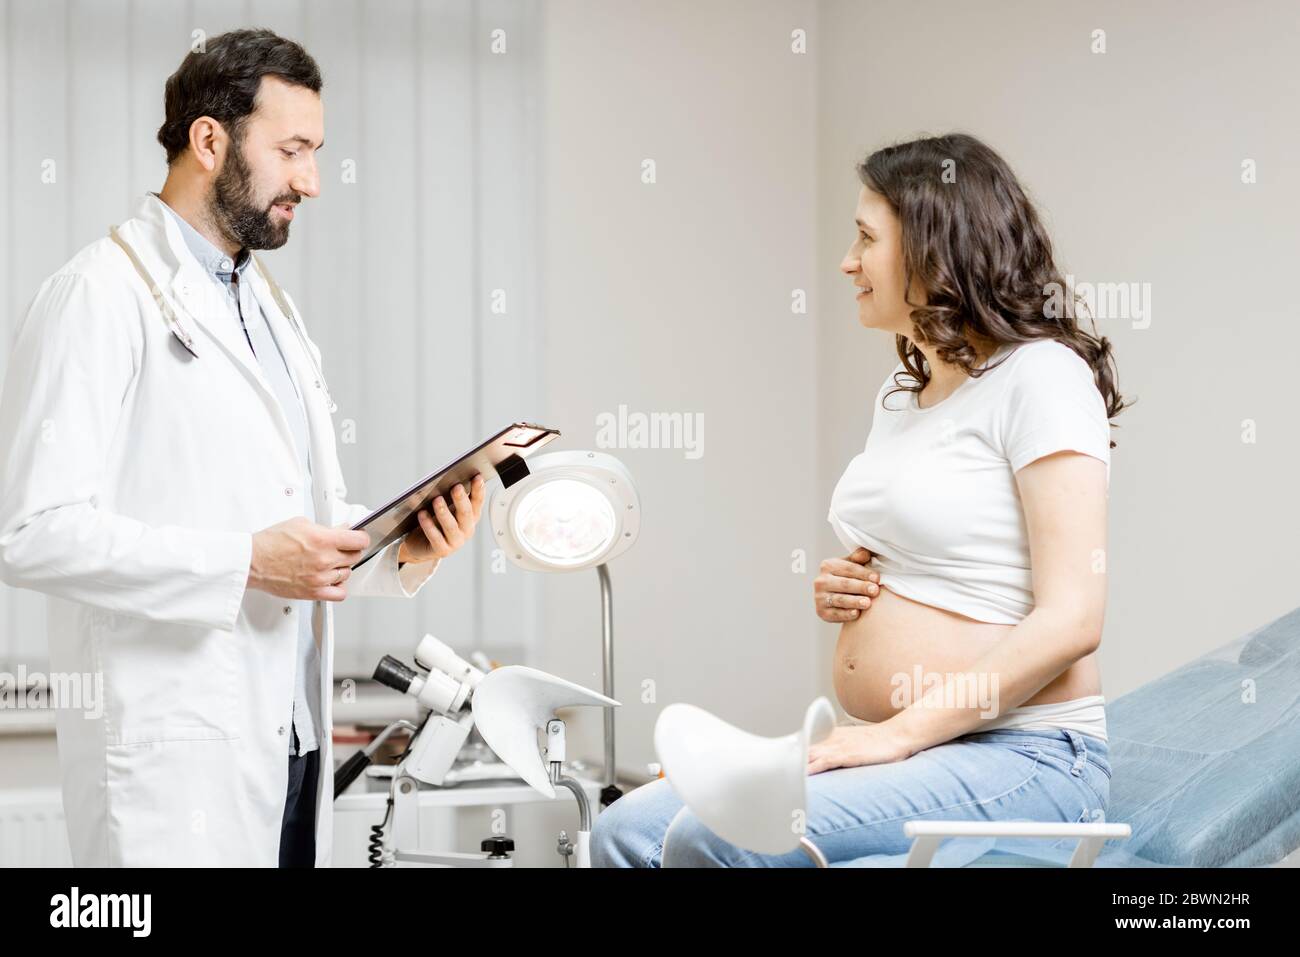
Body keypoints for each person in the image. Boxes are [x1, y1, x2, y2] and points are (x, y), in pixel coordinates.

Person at [0, 28, 483, 867]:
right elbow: (32, 530)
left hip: (289, 742)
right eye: (292, 149)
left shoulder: (270, 311)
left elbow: (300, 529)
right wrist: (245, 563)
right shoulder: (98, 296)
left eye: (318, 151)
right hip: (174, 754)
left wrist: (407, 541)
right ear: (209, 138)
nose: (313, 180)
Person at [591, 132, 1130, 867]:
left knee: (706, 835)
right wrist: (856, 584)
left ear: (935, 251)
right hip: (930, 744)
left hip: (1027, 754)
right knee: (625, 825)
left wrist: (894, 734)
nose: (847, 261)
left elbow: (1073, 618)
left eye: (866, 238)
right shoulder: (903, 393)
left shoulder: (1043, 378)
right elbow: (937, 549)